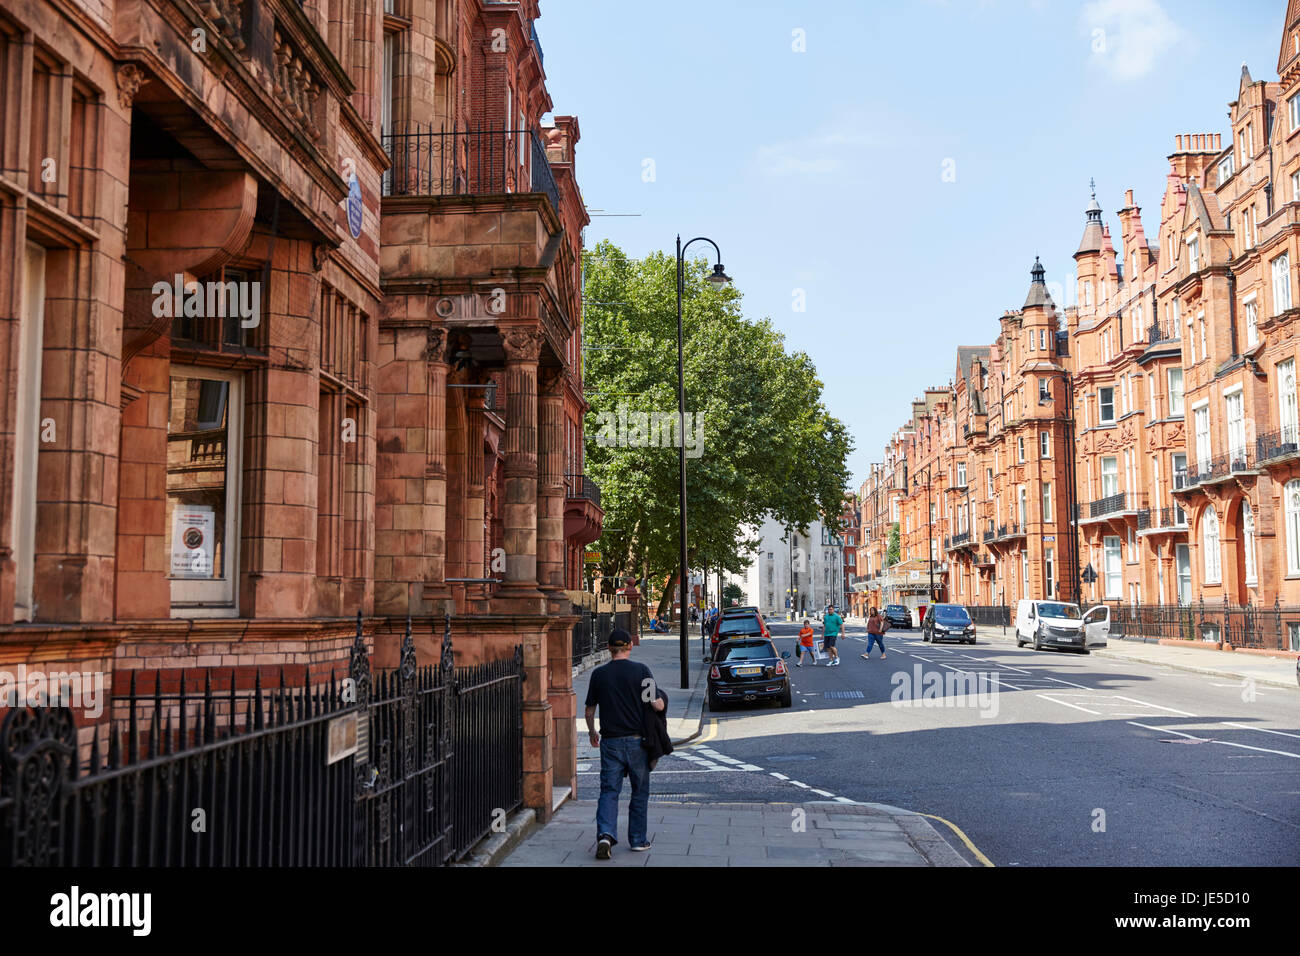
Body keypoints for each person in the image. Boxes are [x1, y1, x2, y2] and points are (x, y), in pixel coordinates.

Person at [585, 628, 666, 858]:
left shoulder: (598, 675)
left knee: (609, 791)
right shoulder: (641, 671)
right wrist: (662, 697)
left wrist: (592, 732)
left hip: (610, 742)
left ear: (609, 649)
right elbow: (656, 705)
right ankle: (638, 840)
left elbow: (589, 710)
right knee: (639, 792)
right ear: (630, 646)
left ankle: (605, 836)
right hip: (637, 742)